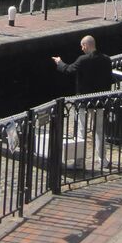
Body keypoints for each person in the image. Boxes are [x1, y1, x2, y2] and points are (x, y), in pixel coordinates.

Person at [52, 35, 113, 168]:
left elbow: (69, 69)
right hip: (100, 101)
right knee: (100, 131)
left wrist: (59, 62)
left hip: (84, 102)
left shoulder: (83, 59)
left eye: (82, 46)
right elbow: (110, 79)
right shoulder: (107, 60)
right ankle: (103, 160)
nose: (81, 48)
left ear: (86, 45)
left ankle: (79, 162)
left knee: (81, 131)